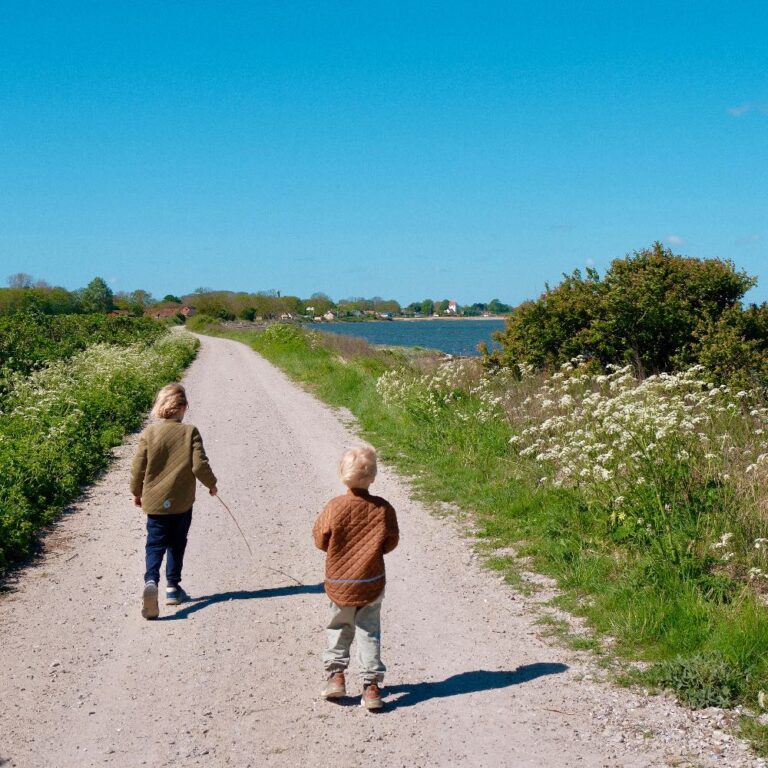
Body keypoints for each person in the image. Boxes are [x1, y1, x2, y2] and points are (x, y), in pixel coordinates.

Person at [313, 445, 399, 710]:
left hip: (340, 582)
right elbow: (390, 542)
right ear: (373, 477)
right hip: (371, 582)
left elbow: (320, 539)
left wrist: (338, 549)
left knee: (339, 626)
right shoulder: (383, 509)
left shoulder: (335, 507)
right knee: (368, 631)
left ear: (343, 475)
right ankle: (371, 686)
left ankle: (336, 676)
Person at [130, 382, 217, 619]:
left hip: (155, 503)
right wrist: (211, 484)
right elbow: (199, 465)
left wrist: (136, 491)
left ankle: (151, 581)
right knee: (177, 543)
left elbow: (138, 467)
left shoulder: (149, 434)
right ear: (182, 407)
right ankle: (172, 588)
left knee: (155, 544)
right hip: (181, 503)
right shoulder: (190, 432)